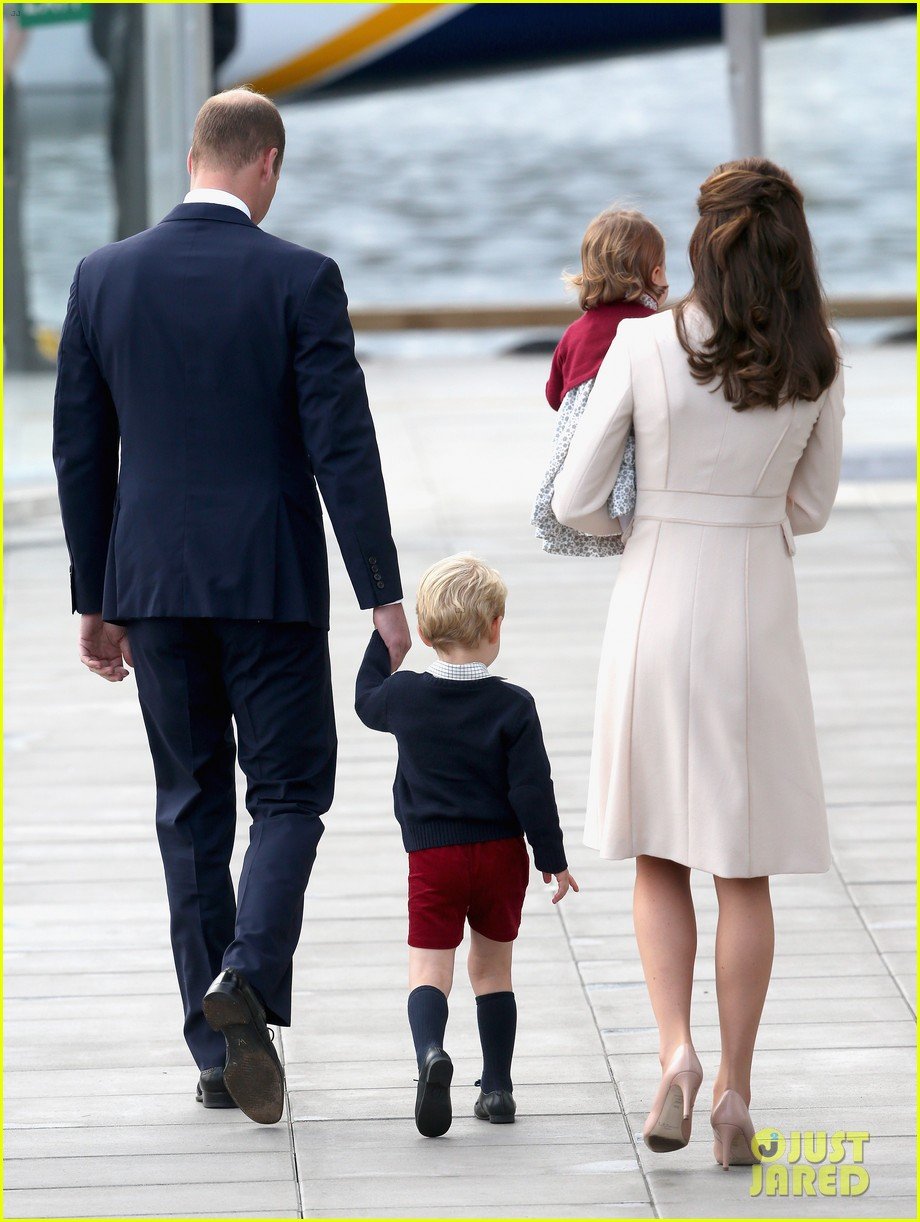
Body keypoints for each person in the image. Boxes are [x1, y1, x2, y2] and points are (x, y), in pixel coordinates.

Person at [52, 87, 411, 1125]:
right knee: (290, 793)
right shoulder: (300, 278)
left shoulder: (102, 278)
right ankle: (247, 974)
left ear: (195, 158)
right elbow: (342, 447)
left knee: (189, 805)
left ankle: (214, 1054)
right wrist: (382, 597)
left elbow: (81, 450)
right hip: (270, 583)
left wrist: (95, 593)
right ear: (266, 166)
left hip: (153, 584)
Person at [551, 158, 844, 1168]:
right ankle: (733, 1092)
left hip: (657, 599)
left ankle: (672, 1053)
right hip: (754, 611)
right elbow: (808, 506)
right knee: (743, 864)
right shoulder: (814, 356)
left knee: (658, 848)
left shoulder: (642, 343)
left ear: (699, 242)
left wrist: (647, 516)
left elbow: (577, 497)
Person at [354, 554, 577, 1137]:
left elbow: (364, 699)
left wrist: (383, 645)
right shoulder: (514, 706)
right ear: (497, 626)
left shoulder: (403, 698)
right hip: (501, 857)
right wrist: (552, 860)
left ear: (425, 635)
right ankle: (498, 1089)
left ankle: (431, 1053)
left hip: (434, 857)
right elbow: (533, 790)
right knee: (493, 970)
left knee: (430, 967)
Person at [533, 208, 667, 557]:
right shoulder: (654, 329)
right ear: (655, 274)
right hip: (645, 460)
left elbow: (554, 395)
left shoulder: (575, 334)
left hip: (588, 465)